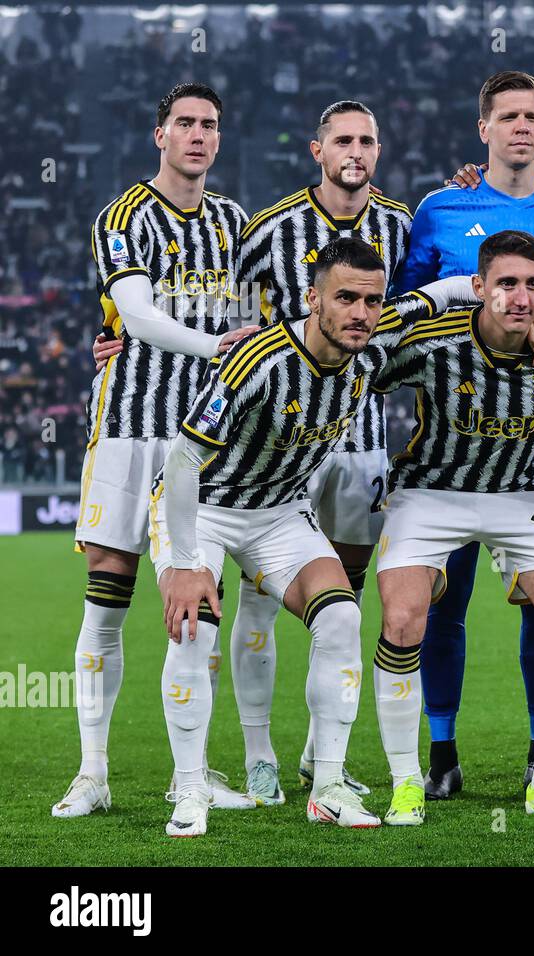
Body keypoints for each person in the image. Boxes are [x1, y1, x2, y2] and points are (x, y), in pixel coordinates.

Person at [393, 71, 534, 797]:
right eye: (509, 115)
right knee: (441, 602)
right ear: (483, 127)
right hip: (452, 440)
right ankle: (443, 751)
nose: (523, 126)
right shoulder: (441, 208)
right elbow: (404, 308)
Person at [150, 238, 401, 835]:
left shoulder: (372, 351)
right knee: (194, 627)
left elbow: (437, 301)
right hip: (202, 506)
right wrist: (185, 562)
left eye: (371, 300)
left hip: (280, 511)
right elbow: (184, 463)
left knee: (340, 618)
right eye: (345, 298)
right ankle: (189, 789)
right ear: (313, 298)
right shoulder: (260, 359)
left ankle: (330, 785)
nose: (361, 313)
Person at [54, 82, 257, 819]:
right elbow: (135, 313)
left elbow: (296, 283)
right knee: (106, 606)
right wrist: (214, 345)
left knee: (194, 609)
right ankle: (93, 773)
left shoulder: (239, 222)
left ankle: (191, 776)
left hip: (202, 443)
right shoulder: (125, 216)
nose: (198, 136)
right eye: (185, 124)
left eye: (209, 126)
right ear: (159, 134)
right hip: (129, 432)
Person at [371, 229, 534, 822]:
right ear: (478, 287)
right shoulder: (434, 343)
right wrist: (439, 294)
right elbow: (367, 339)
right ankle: (408, 782)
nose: (520, 297)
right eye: (506, 284)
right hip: (431, 491)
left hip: (518, 491)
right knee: (405, 618)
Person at [228, 99, 412, 804]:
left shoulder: (401, 224)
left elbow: (422, 307)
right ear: (317, 149)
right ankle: (256, 755)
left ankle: (318, 754)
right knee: (262, 602)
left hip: (363, 442)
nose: (356, 151)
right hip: (279, 450)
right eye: (344, 139)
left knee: (344, 598)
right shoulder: (270, 230)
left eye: (368, 139)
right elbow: (233, 329)